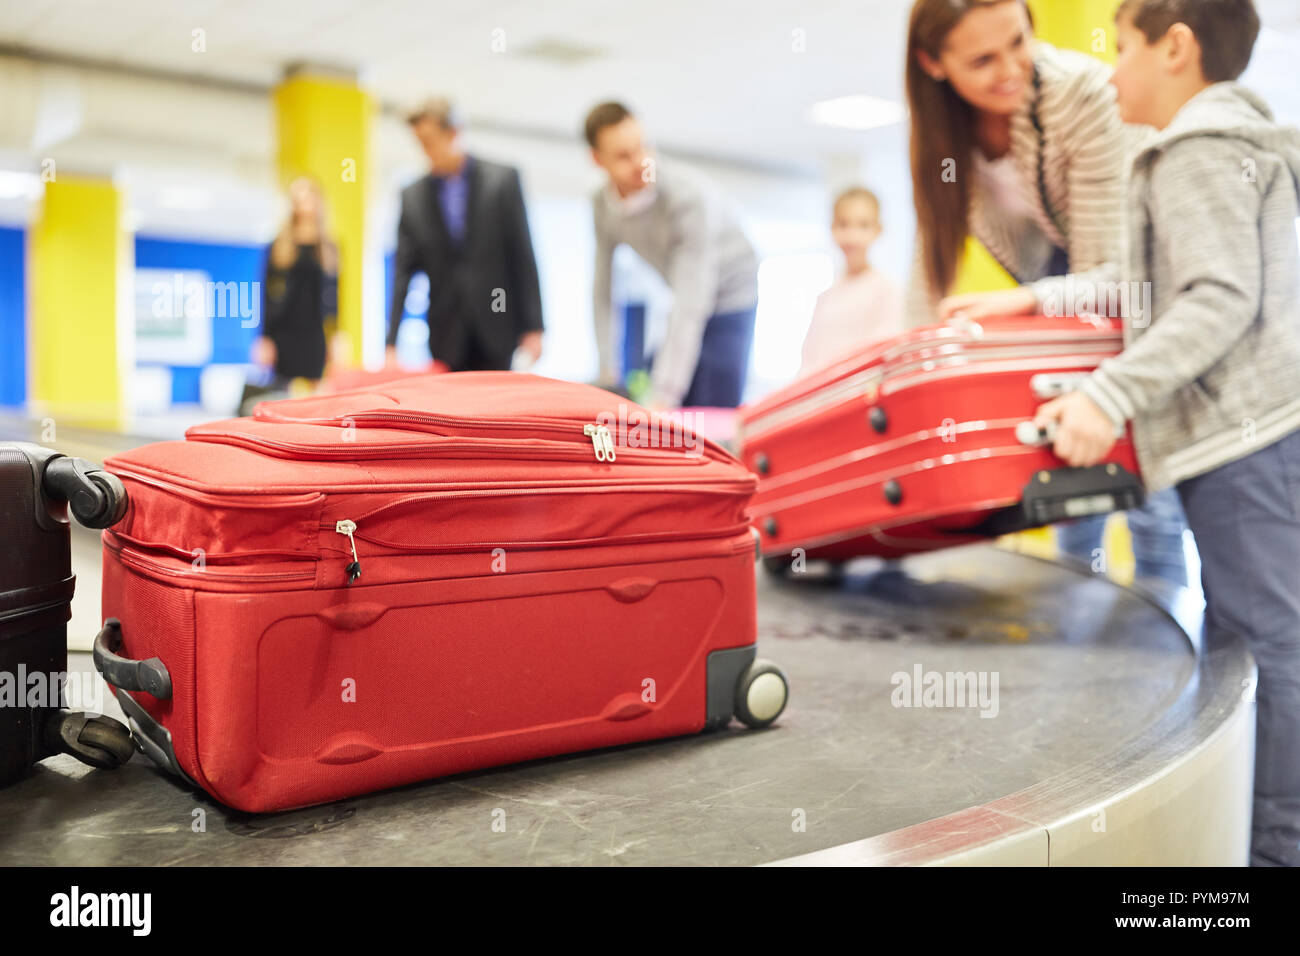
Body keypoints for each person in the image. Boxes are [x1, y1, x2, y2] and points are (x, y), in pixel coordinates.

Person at [951, 0, 1300, 867]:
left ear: (1176, 48)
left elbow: (1216, 297)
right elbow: (1141, 291)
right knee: (1254, 633)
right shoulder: (1223, 146)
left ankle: (1273, 852)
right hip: (1248, 438)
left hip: (1243, 444)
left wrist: (1108, 395)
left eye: (1125, 48)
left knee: (1269, 643)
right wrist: (1031, 298)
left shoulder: (1193, 150)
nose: (1110, 72)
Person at [904, 0, 1189, 588]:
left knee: (1144, 490)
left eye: (1018, 39)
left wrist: (1049, 319)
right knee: (1063, 480)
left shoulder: (1084, 96)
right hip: (1065, 275)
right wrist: (910, 366)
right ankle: (1075, 628)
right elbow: (931, 255)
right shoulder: (945, 133)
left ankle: (1176, 630)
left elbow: (1110, 269)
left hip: (1136, 281)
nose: (1012, 67)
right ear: (934, 64)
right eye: (983, 59)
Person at [586, 101, 759, 409]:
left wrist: (665, 395)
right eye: (624, 156)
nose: (641, 162)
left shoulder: (686, 197)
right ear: (597, 160)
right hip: (684, 295)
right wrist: (606, 368)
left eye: (643, 147)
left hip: (732, 296)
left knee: (705, 410)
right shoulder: (601, 204)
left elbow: (691, 302)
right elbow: (603, 290)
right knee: (655, 393)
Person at [386, 97, 543, 372]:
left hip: (498, 323)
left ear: (454, 133)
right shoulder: (412, 197)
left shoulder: (502, 181)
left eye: (430, 141)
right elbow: (402, 273)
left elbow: (522, 255)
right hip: (445, 332)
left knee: (496, 408)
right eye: (419, 142)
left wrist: (535, 327)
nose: (425, 150)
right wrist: (391, 342)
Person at [799, 187, 903, 377]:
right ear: (832, 228)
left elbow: (883, 352)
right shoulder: (825, 297)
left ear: (878, 230)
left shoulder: (886, 290)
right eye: (844, 224)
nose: (852, 236)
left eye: (863, 225)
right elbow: (808, 361)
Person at [253, 177, 339, 386]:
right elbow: (265, 294)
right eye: (299, 200)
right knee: (281, 392)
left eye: (309, 199)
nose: (304, 205)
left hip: (315, 333)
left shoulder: (329, 248)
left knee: (317, 392)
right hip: (284, 333)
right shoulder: (277, 246)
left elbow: (335, 295)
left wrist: (336, 335)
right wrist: (264, 338)